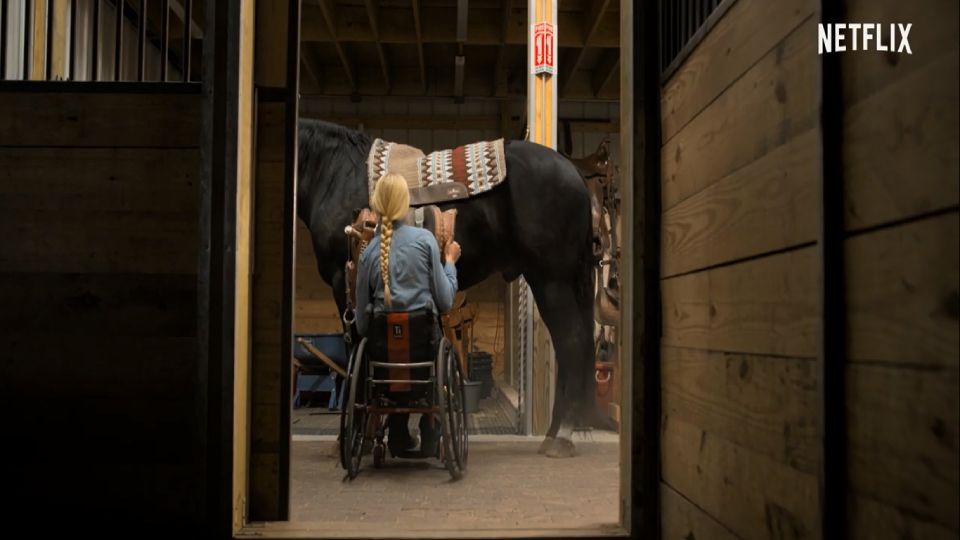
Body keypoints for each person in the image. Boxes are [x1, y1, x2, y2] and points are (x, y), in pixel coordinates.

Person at [355, 173, 462, 456]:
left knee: (386, 347)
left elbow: (363, 324)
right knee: (431, 344)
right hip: (423, 356)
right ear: (406, 205)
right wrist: (450, 263)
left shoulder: (368, 254)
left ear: (377, 205)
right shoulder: (425, 241)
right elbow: (446, 301)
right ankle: (430, 433)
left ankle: (397, 433)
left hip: (386, 367)